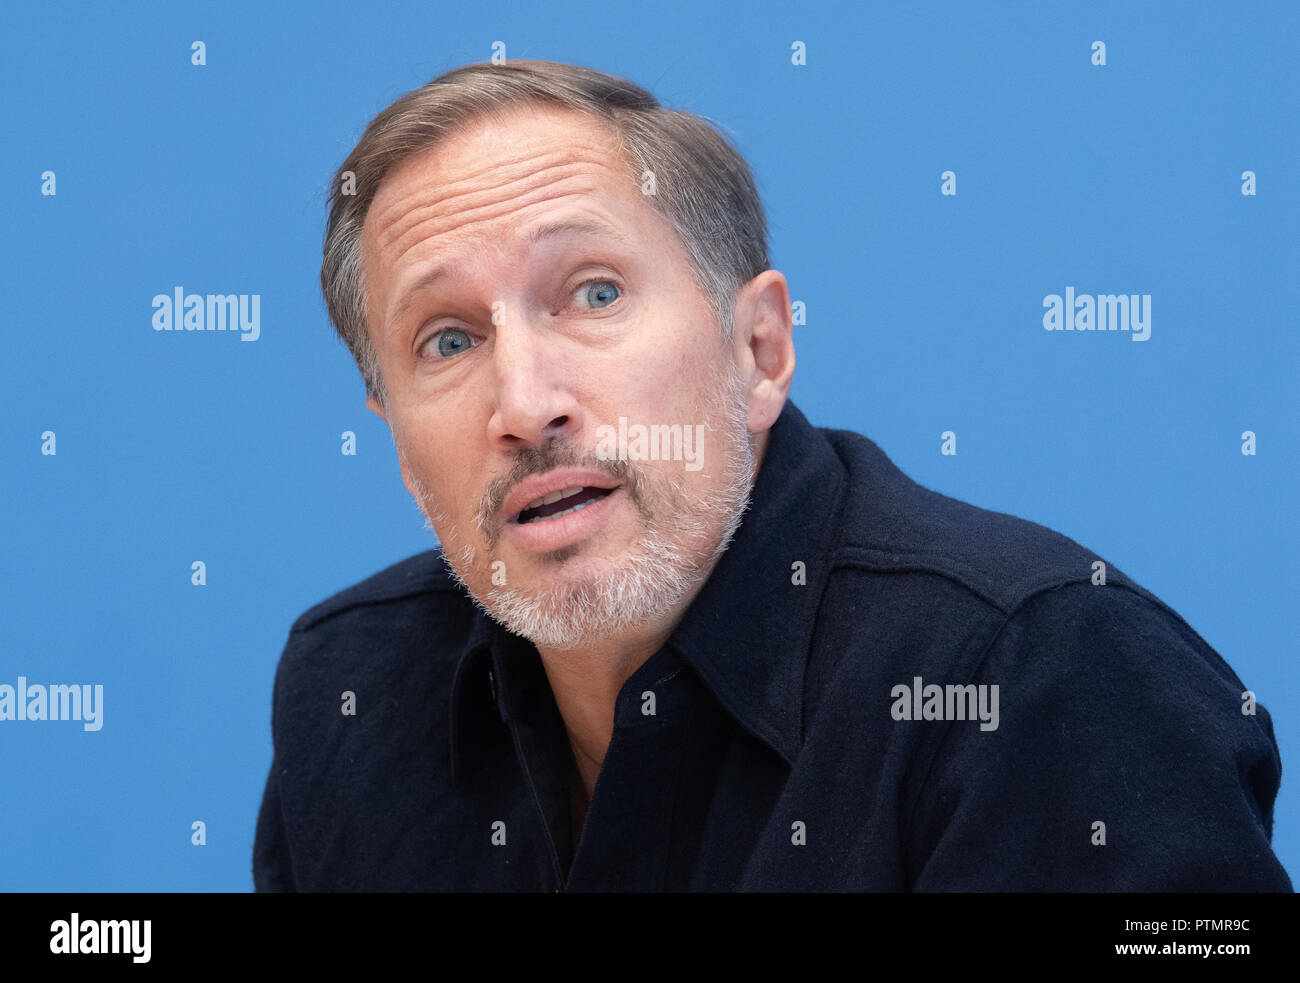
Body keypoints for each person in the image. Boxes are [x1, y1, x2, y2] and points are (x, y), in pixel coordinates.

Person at [253, 59, 1291, 891]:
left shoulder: (1034, 672)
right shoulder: (348, 687)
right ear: (393, 438)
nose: (524, 404)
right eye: (445, 341)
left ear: (758, 347)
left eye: (595, 291)